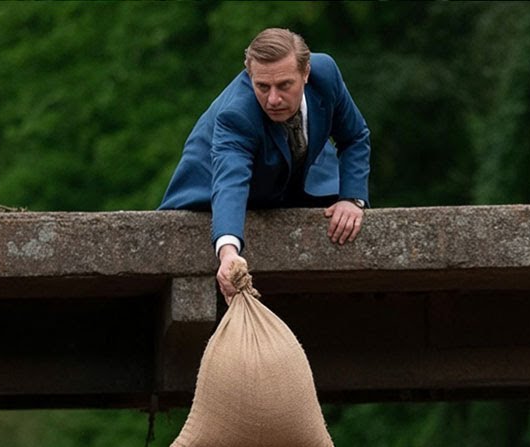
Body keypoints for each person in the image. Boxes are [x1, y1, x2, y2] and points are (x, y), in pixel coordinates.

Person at [159, 28, 371, 302]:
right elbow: (230, 182)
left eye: (284, 85)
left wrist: (352, 199)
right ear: (250, 76)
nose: (273, 99)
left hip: (298, 177)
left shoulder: (326, 73)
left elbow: (354, 136)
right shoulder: (236, 113)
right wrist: (229, 252)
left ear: (305, 73)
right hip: (210, 184)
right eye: (262, 86)